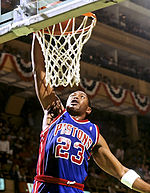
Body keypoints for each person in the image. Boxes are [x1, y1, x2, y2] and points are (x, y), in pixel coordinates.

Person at [31, 34, 150, 193]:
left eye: (82, 96)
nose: (75, 96)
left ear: (88, 109)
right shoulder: (56, 114)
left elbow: (121, 172)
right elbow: (39, 70)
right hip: (47, 186)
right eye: (72, 95)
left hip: (75, 189)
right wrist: (36, 34)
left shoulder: (93, 133)